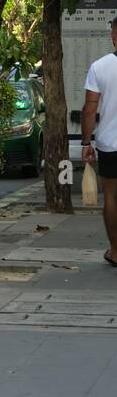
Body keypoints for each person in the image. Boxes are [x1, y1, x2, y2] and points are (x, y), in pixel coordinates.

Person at [81, 16, 117, 266]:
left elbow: (89, 109)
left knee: (111, 196)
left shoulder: (100, 67)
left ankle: (116, 251)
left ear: (113, 36)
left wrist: (86, 143)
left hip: (110, 143)